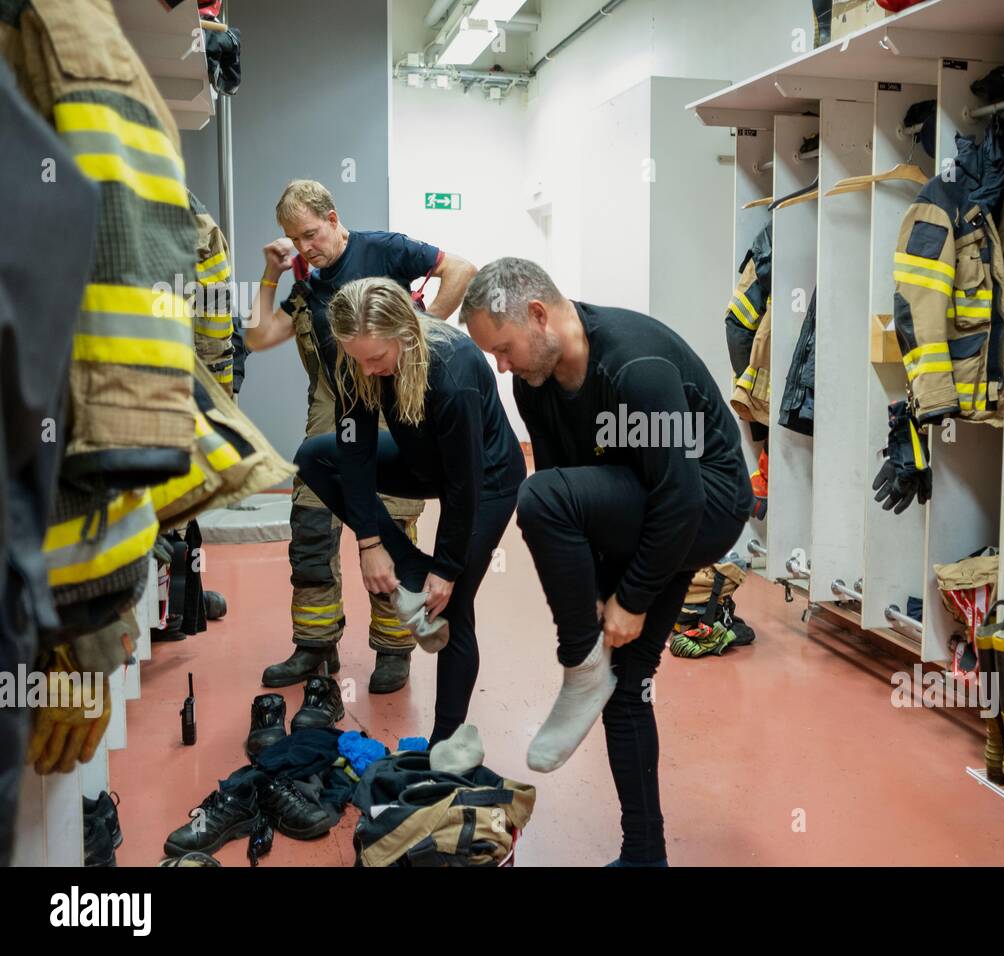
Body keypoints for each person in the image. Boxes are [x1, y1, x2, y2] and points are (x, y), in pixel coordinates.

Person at [461, 258, 753, 867]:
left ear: (538, 315)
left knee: (538, 499)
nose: (501, 366)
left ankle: (580, 665)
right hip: (643, 500)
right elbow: (576, 494)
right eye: (493, 355)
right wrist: (598, 595)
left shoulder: (635, 366)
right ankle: (644, 855)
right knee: (628, 686)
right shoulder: (534, 385)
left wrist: (632, 598)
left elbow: (679, 497)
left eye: (504, 348)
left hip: (707, 502)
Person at [246, 180, 477, 694]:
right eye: (294, 239)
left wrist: (422, 333)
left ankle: (394, 650)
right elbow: (259, 336)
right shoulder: (307, 281)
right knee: (310, 529)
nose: (306, 247)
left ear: (332, 217)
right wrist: (270, 274)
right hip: (334, 406)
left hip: (396, 401)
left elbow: (461, 268)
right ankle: (314, 644)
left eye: (311, 233)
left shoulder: (384, 249)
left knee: (388, 519)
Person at [294, 277, 525, 745]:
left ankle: (444, 744)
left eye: (377, 358)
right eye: (358, 358)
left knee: (453, 605)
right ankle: (412, 566)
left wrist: (448, 568)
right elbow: (354, 450)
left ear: (405, 334)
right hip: (421, 460)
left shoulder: (452, 367)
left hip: (487, 478)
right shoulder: (356, 359)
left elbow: (464, 484)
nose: (369, 369)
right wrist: (371, 543)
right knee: (316, 456)